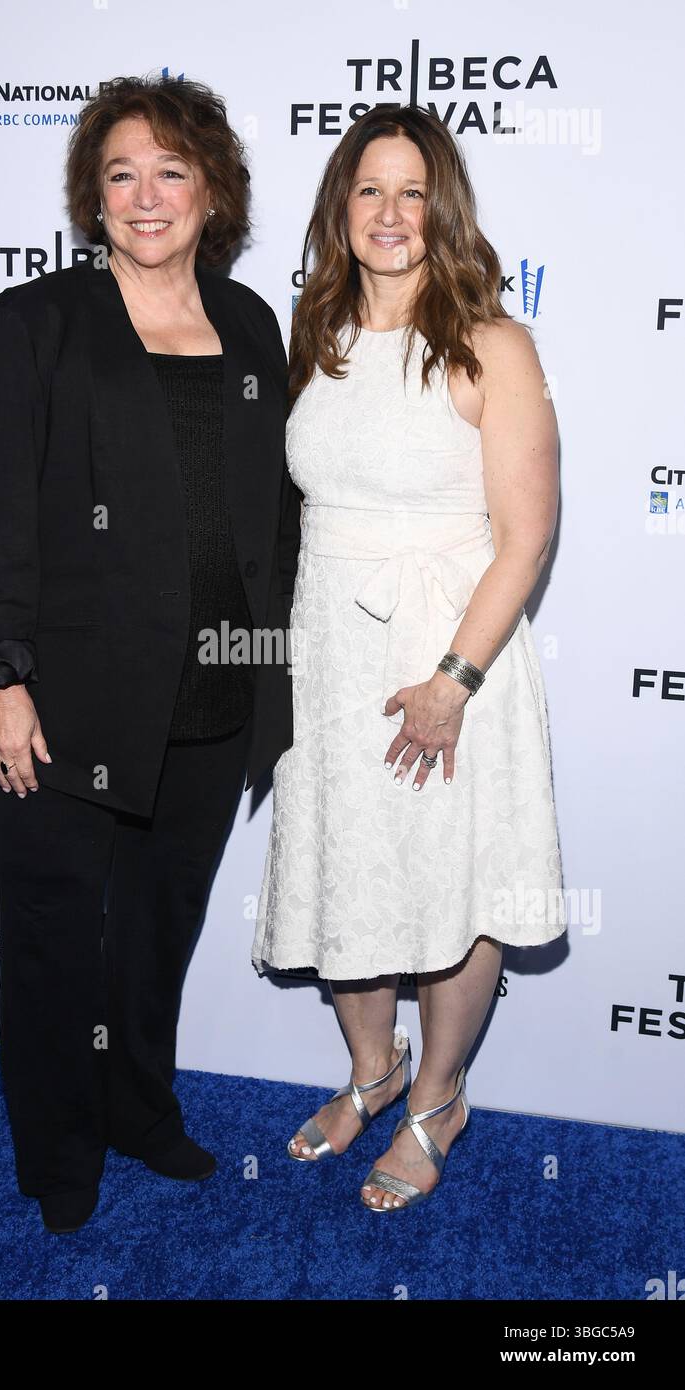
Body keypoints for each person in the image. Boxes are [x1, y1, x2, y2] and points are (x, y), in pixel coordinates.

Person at [0, 74, 301, 1233]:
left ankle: (138, 1108)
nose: (147, 196)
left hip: (211, 700)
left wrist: (273, 672)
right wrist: (0, 678)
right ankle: (58, 1154)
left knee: (158, 932)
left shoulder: (249, 323)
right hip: (64, 703)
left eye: (171, 172)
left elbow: (272, 518)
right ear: (92, 198)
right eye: (121, 174)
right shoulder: (38, 322)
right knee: (55, 941)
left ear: (213, 193)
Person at [252, 105, 566, 1212]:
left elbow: (524, 537)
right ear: (340, 206)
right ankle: (370, 1068)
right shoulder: (313, 333)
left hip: (449, 651)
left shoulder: (493, 344)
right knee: (346, 864)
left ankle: (436, 1097)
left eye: (413, 192)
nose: (389, 213)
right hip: (329, 652)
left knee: (452, 877)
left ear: (445, 210)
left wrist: (452, 682)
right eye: (369, 190)